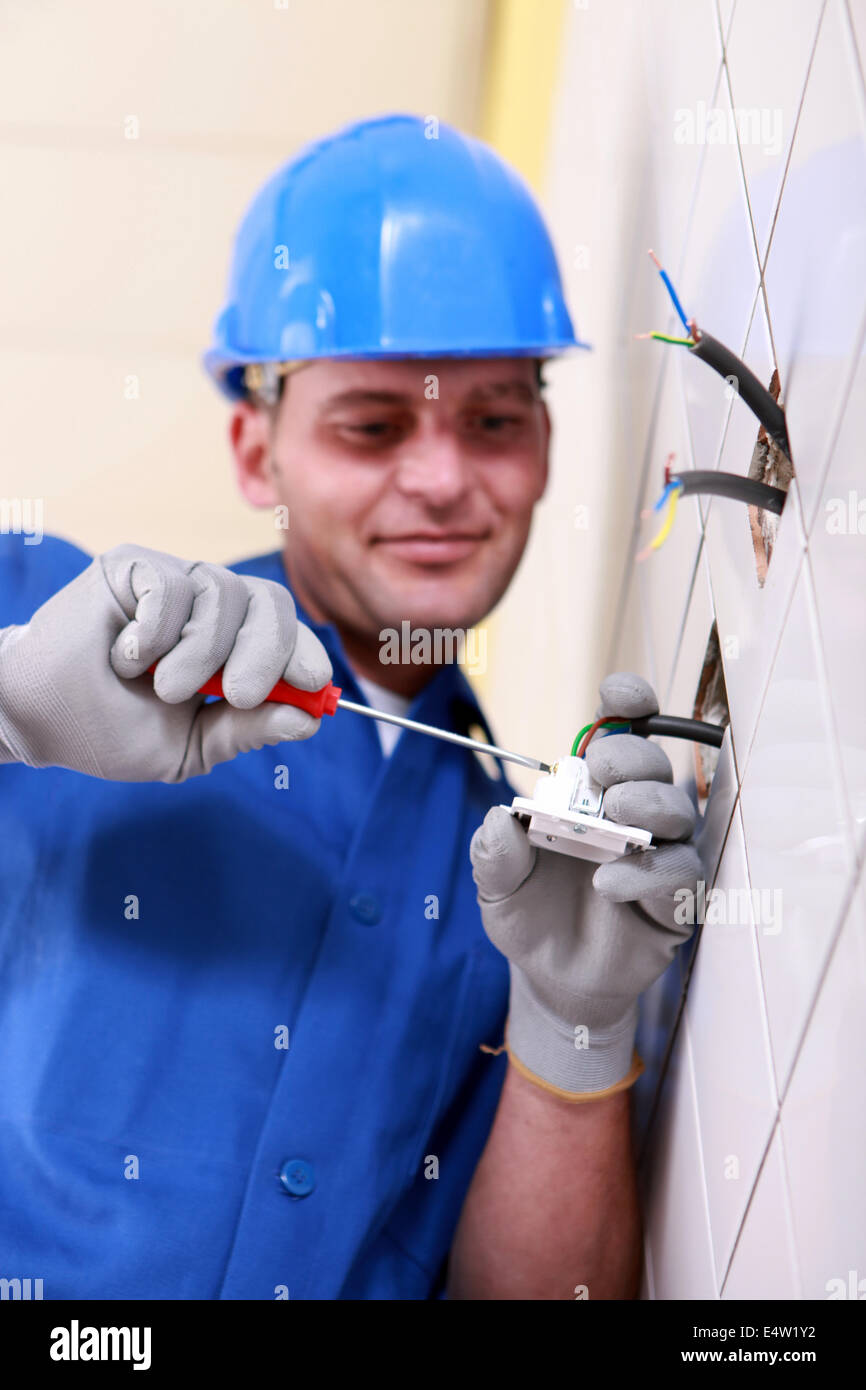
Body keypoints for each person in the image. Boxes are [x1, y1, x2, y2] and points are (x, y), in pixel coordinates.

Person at [0, 114, 701, 1300]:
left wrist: (568, 1024)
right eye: (372, 425)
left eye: (494, 419)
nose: (440, 480)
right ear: (253, 447)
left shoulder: (534, 882)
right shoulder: (49, 624)